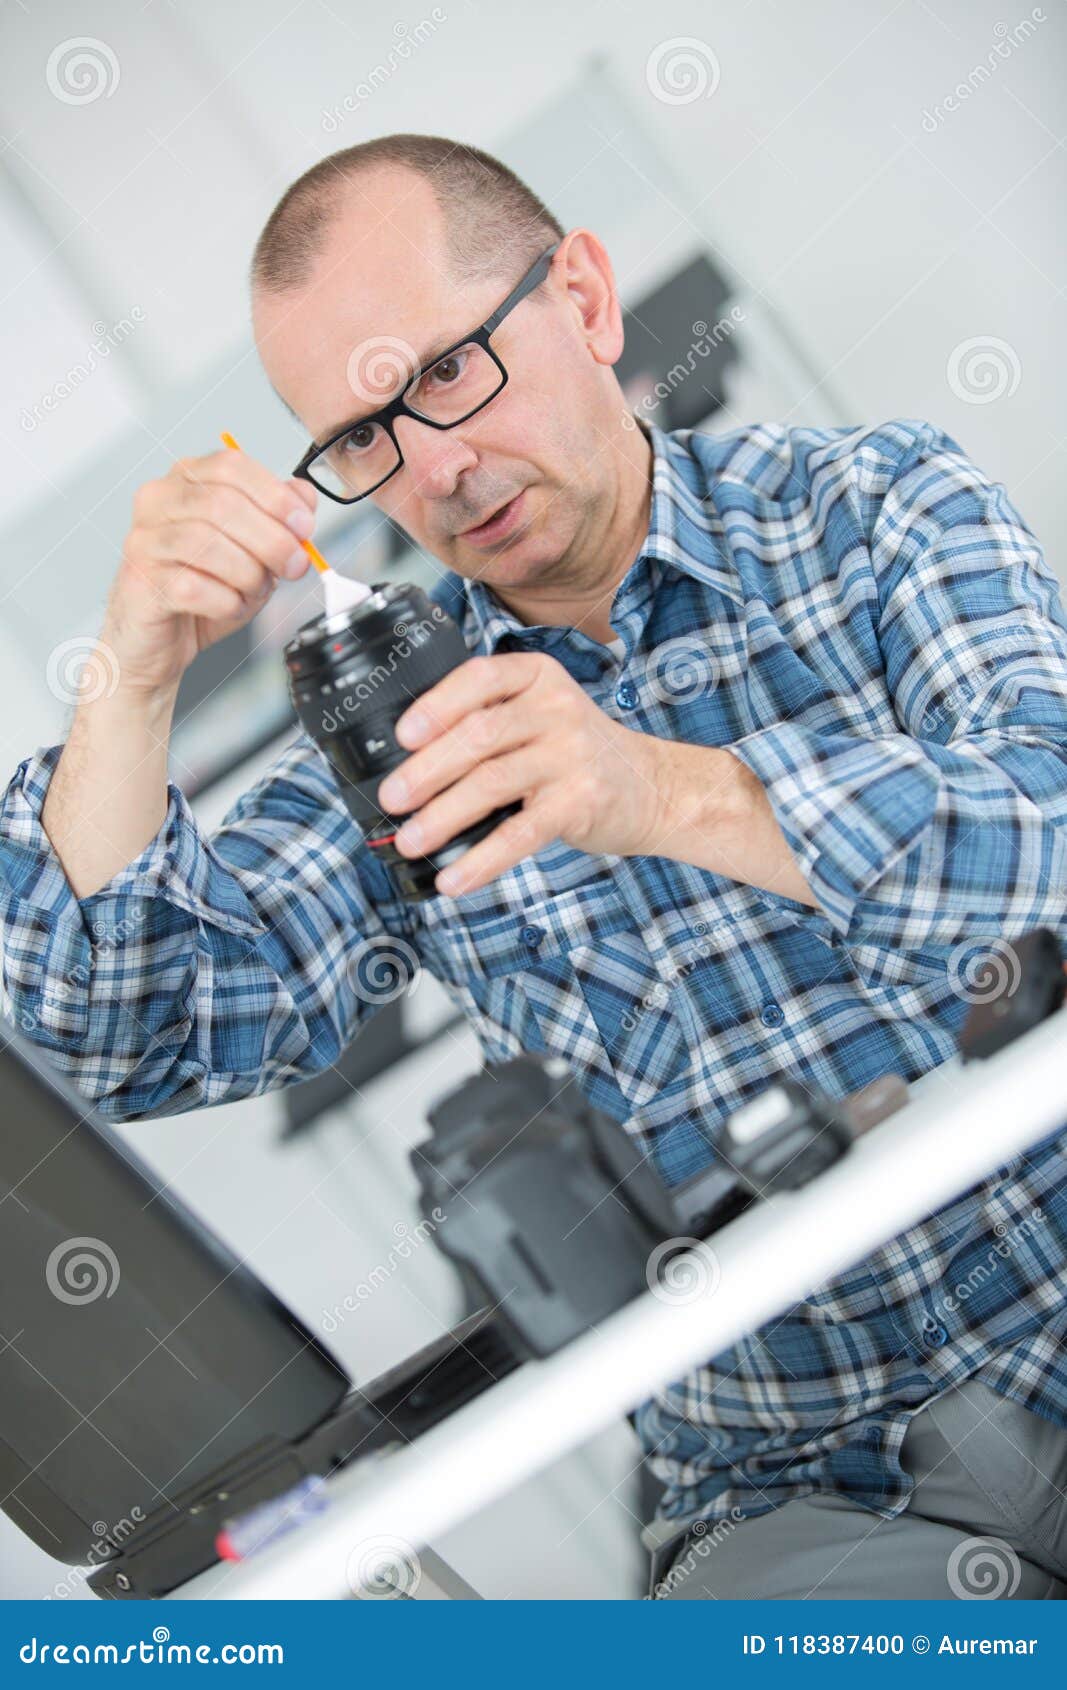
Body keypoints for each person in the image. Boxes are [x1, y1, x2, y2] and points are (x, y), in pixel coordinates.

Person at [3, 134, 1067, 1601]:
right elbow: (122, 1034)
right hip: (802, 1483)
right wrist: (127, 677)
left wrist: (656, 788)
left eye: (449, 371)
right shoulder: (400, 732)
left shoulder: (873, 507)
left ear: (585, 298)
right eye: (363, 439)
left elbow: (1045, 829)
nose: (434, 470)